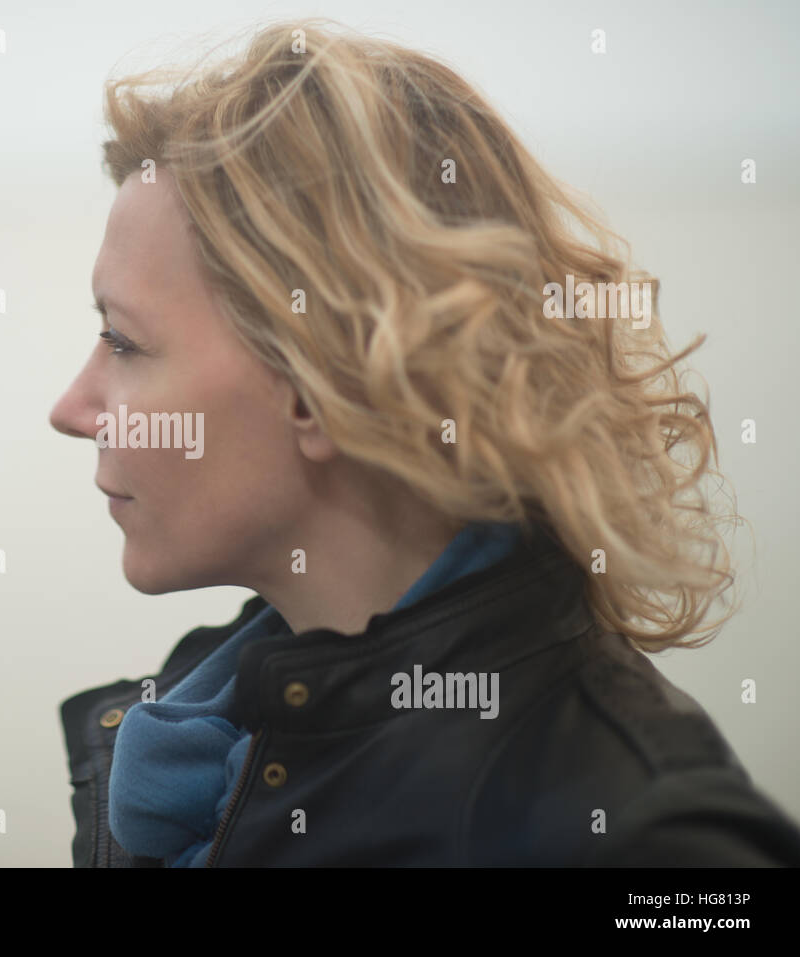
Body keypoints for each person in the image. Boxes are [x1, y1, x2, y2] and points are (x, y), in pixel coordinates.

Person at [47, 19, 800, 866]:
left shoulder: (645, 840)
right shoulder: (207, 732)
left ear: (325, 379)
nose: (73, 407)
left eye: (124, 342)